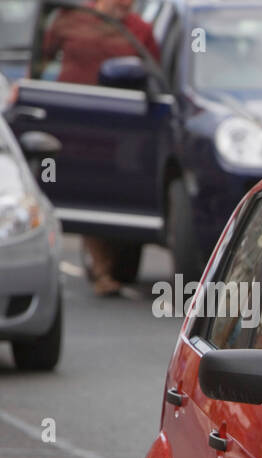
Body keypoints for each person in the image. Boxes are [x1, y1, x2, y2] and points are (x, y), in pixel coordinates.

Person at [43, 0, 160, 295]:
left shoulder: (139, 29)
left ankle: (107, 264)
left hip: (119, 124)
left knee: (113, 191)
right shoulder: (70, 17)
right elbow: (41, 57)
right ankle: (101, 269)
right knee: (83, 190)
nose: (124, 5)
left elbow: (153, 72)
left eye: (129, 3)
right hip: (70, 117)